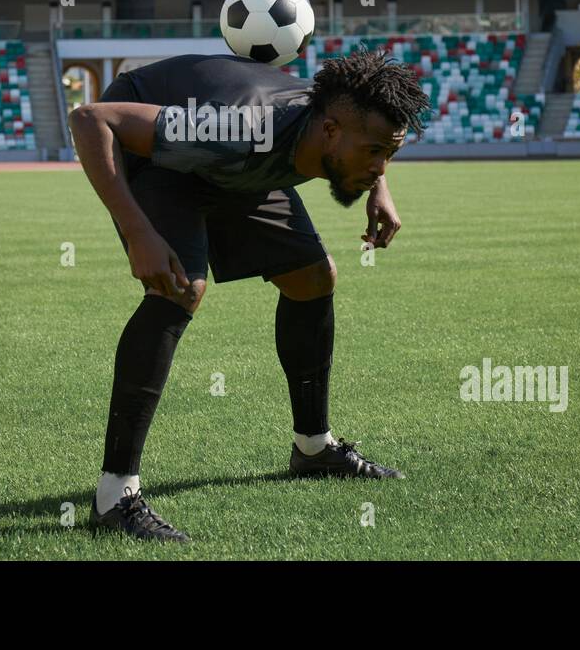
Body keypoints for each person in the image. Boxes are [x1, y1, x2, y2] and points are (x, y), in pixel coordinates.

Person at [66, 46, 431, 542]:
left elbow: (363, 128)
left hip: (237, 163)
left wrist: (377, 185)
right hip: (159, 157)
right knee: (180, 289)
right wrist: (138, 233)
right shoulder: (235, 127)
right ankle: (115, 496)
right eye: (375, 154)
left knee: (312, 277)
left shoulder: (335, 113)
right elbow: (91, 119)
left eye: (390, 153)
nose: (381, 164)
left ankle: (312, 447)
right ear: (328, 133)